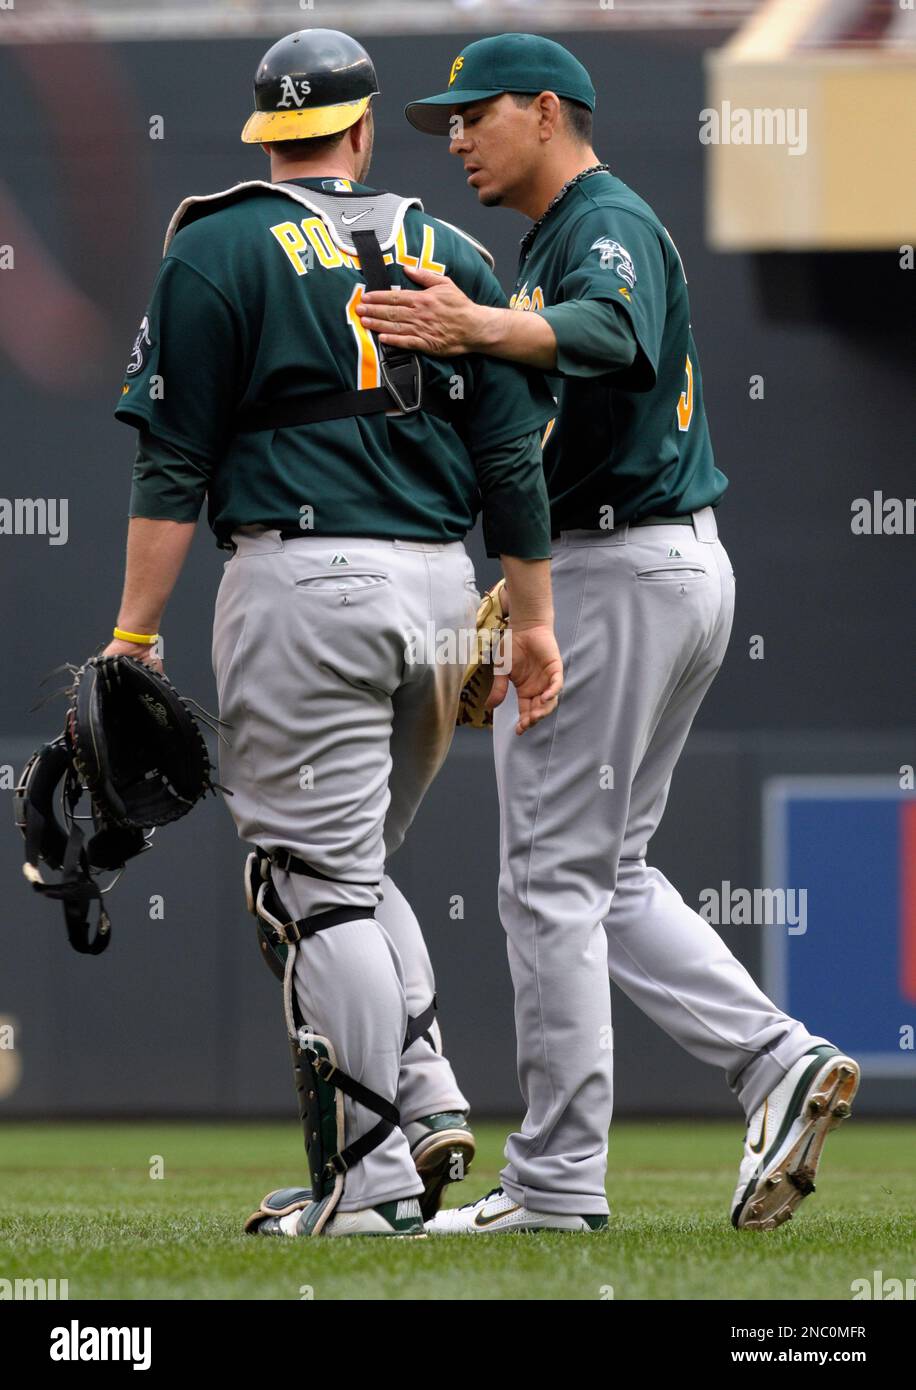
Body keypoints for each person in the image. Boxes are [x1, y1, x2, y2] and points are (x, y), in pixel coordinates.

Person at [357, 32, 860, 1235]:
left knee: (546, 882)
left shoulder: (601, 217)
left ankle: (554, 1182)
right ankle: (773, 1061)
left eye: (476, 114)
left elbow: (612, 335)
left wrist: (474, 326)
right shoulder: (560, 236)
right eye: (444, 125)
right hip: (652, 561)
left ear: (548, 110)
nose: (460, 137)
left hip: (623, 563)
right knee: (604, 873)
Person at [102, 28, 562, 1239]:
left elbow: (174, 458)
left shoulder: (215, 243)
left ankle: (364, 1186)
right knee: (347, 878)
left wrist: (132, 634)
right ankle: (426, 1101)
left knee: (309, 886)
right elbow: (514, 453)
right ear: (361, 131)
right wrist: (530, 614)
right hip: (441, 590)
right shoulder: (452, 245)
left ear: (268, 133)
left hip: (306, 586)